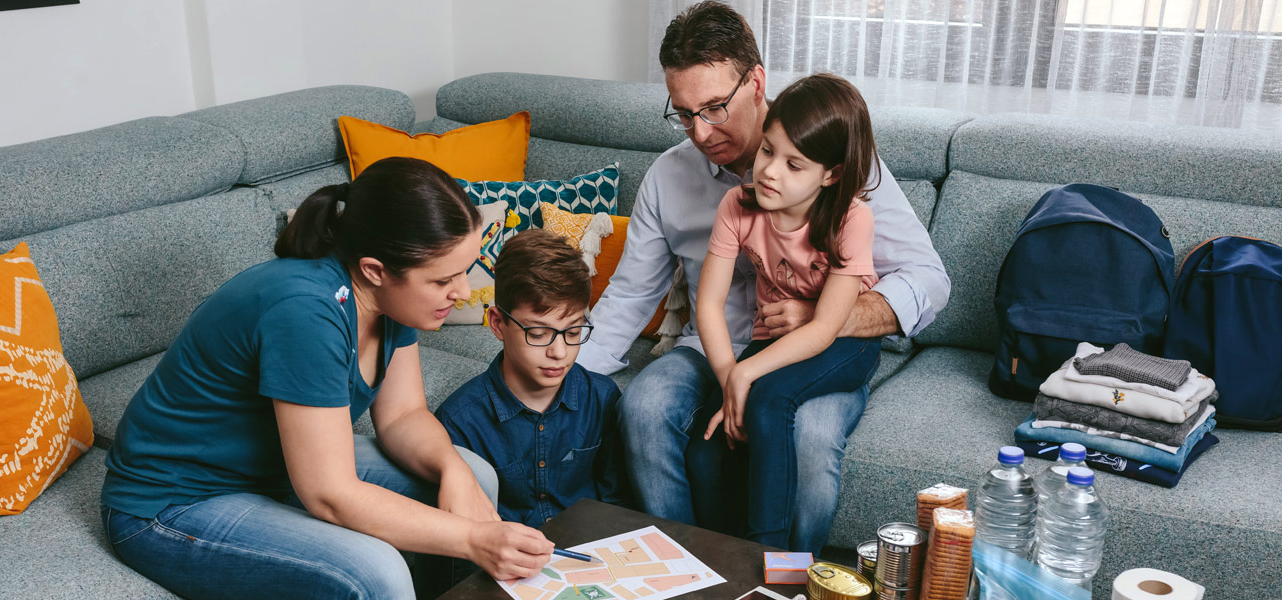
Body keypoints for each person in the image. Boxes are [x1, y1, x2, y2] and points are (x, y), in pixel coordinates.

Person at [576, 1, 949, 553]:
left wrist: (828, 316)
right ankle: (692, 573)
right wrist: (555, 375)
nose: (700, 132)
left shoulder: (834, 160)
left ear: (756, 82)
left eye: (715, 108)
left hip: (811, 348)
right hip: (712, 347)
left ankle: (786, 583)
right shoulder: (671, 179)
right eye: (683, 113)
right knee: (645, 406)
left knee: (811, 438)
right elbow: (630, 296)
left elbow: (928, 279)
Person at [99, 157, 553, 599]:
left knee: (472, 473)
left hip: (273, 465)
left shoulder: (393, 301)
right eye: (442, 280)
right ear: (375, 270)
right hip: (173, 503)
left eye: (464, 271)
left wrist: (451, 469)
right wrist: (472, 538)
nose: (463, 292)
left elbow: (403, 416)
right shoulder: (305, 311)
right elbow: (329, 493)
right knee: (375, 570)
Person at [693, 73, 882, 548]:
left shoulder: (850, 218)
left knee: (770, 401)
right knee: (711, 438)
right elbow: (709, 304)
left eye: (794, 164)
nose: (771, 171)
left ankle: (771, 562)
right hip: (771, 338)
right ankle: (725, 559)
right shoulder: (738, 205)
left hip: (843, 343)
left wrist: (746, 375)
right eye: (768, 151)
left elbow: (822, 331)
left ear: (831, 174)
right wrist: (727, 376)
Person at [436, 229, 628, 528]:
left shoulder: (602, 399)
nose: (560, 352)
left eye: (574, 332)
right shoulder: (459, 421)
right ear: (498, 324)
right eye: (538, 334)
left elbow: (617, 503)